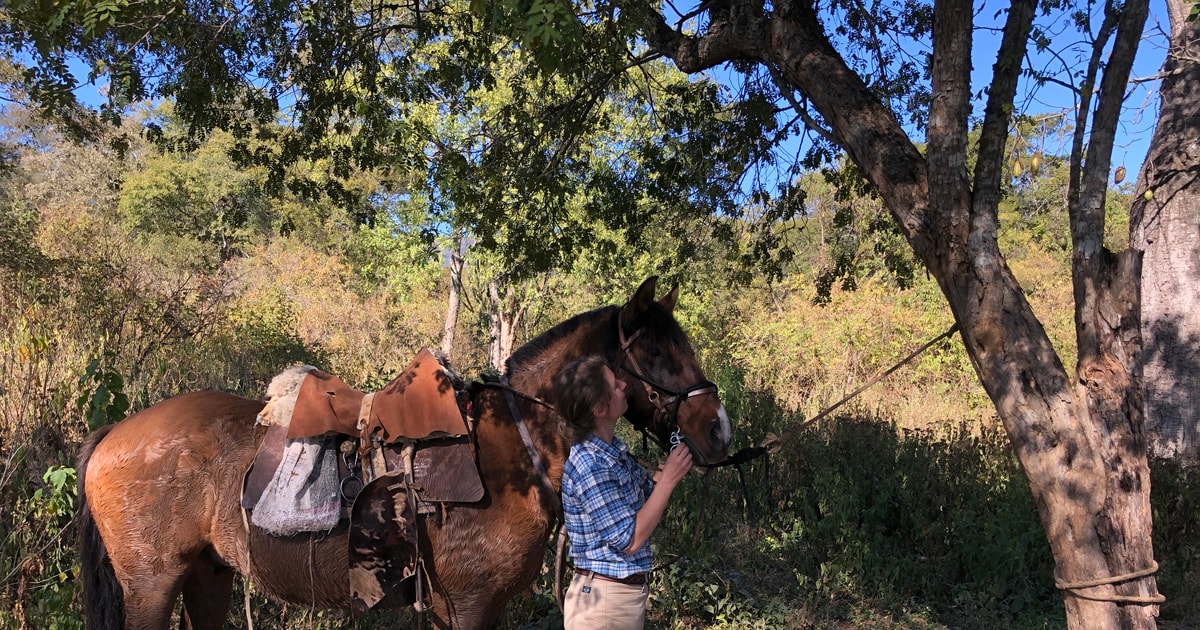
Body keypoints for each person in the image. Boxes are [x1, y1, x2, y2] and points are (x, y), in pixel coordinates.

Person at [554, 355, 693, 629]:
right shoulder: (590, 464)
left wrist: (670, 469)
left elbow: (647, 492)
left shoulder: (611, 452)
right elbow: (629, 539)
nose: (623, 384)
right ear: (598, 407)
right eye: (614, 384)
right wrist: (669, 480)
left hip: (616, 600)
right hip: (604, 605)